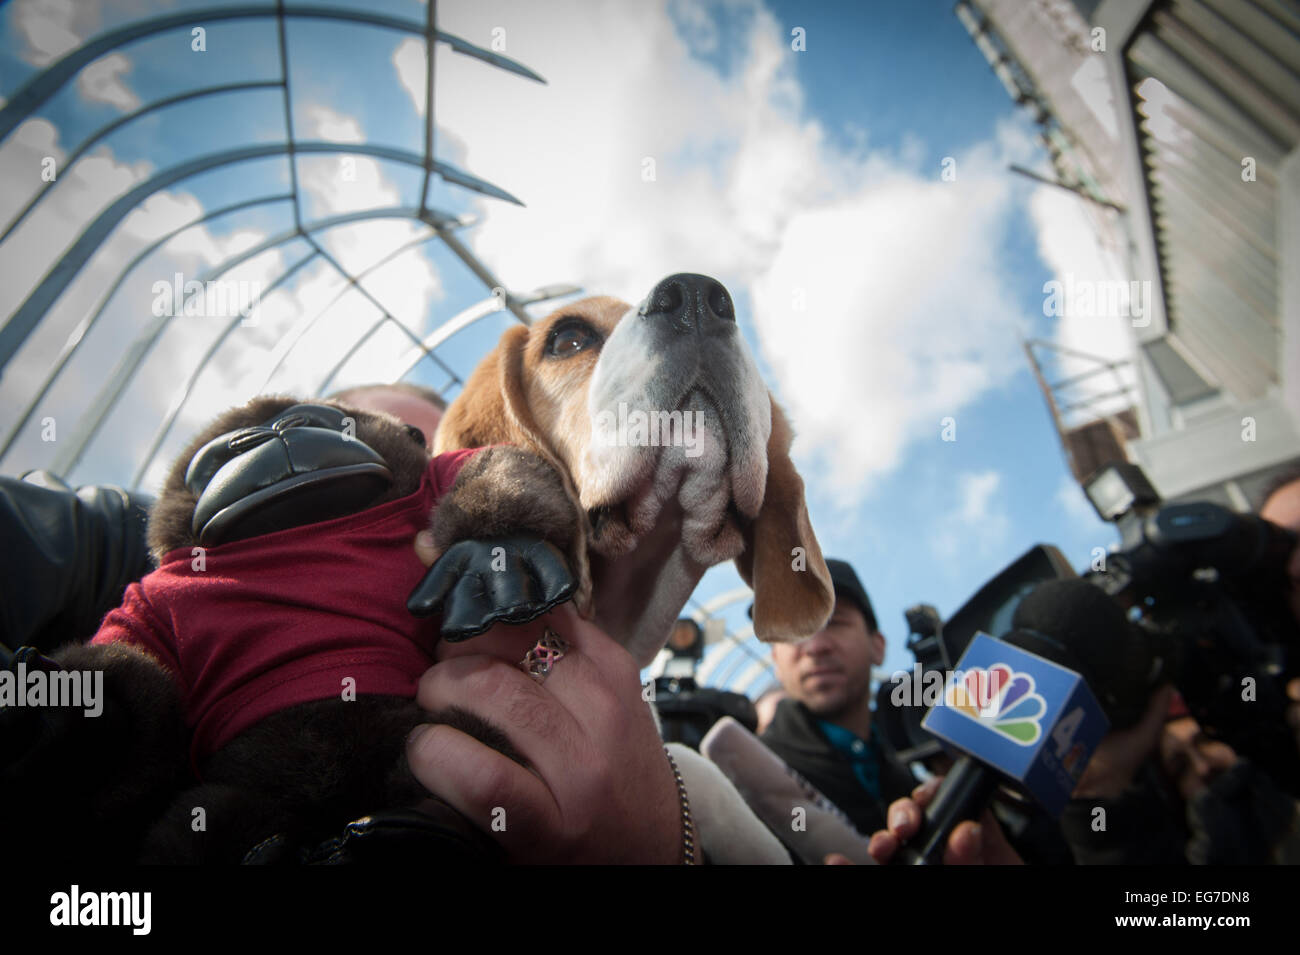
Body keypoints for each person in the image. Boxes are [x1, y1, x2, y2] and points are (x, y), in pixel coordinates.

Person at [758, 558, 918, 837]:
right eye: (793, 631)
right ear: (776, 661)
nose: (815, 647)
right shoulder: (746, 784)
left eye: (834, 622)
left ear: (878, 647)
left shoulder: (915, 784)